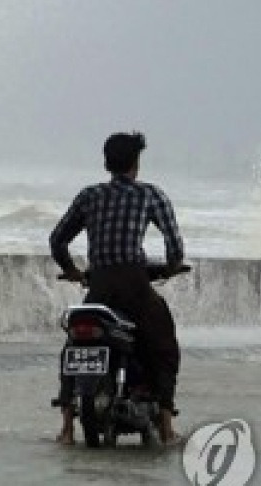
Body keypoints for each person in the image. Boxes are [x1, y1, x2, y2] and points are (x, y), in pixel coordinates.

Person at [49, 131, 184, 445]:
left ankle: (67, 427)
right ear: (136, 163)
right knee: (163, 342)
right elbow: (174, 243)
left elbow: (57, 240)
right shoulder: (149, 195)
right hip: (134, 285)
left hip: (98, 287)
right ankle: (166, 422)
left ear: (106, 163)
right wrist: (173, 265)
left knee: (73, 343)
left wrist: (70, 270)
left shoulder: (89, 196)